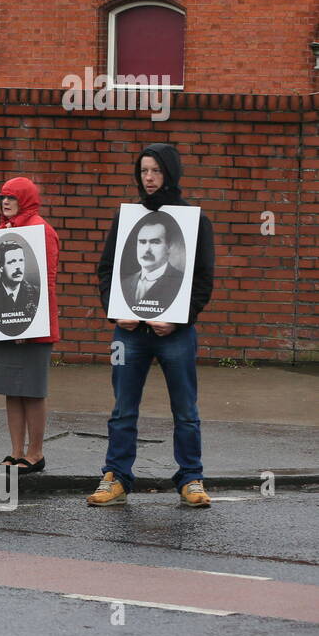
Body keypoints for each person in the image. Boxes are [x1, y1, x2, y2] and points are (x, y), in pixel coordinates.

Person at [91, 143, 215, 508]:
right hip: (128, 333)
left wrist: (179, 318)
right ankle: (115, 476)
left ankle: (191, 478)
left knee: (186, 411)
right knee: (122, 410)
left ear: (170, 173)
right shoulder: (126, 219)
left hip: (175, 333)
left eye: (156, 171)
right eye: (144, 171)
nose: (148, 178)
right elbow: (105, 269)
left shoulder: (194, 221)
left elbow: (204, 279)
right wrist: (116, 313)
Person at [0, 177, 59, 474]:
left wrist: (29, 327)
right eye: (3, 198)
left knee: (32, 391)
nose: (6, 202)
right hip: (4, 326)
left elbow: (45, 283)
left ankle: (35, 454)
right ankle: (15, 452)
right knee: (12, 390)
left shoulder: (42, 230)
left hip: (33, 329)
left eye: (12, 197)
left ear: (26, 199)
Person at [121, 211, 184, 318]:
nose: (147, 249)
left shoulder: (181, 282)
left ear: (168, 247)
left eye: (155, 242)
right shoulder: (125, 283)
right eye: (142, 242)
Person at [0, 237, 41, 336]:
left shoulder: (37, 293)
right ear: (0, 267)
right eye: (12, 262)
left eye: (20, 260)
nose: (18, 266)